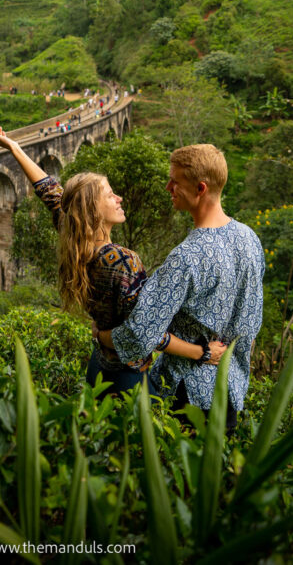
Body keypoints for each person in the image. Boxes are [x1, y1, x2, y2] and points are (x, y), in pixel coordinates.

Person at [0, 127, 226, 395]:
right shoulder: (124, 262)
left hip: (98, 366)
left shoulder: (74, 235)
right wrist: (202, 353)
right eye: (110, 194)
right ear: (92, 209)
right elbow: (144, 332)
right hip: (127, 378)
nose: (119, 198)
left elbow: (49, 190)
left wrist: (15, 149)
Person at [94, 144, 264, 427]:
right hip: (230, 393)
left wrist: (100, 336)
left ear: (200, 188)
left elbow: (139, 335)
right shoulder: (249, 239)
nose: (168, 187)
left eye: (175, 181)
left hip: (187, 397)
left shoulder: (186, 257)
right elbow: (251, 323)